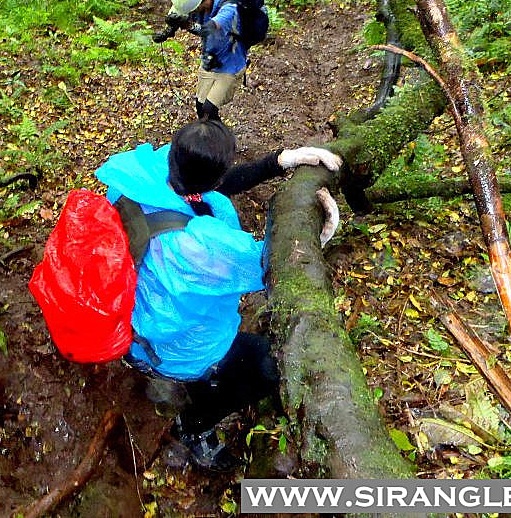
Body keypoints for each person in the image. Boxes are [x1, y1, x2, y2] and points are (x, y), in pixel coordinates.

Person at [95, 119, 341, 472]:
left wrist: (279, 161)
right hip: (169, 347)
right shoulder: (201, 246)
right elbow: (269, 266)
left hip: (132, 318)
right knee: (269, 367)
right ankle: (195, 427)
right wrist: (318, 237)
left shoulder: (139, 178)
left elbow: (204, 187)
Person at [153, 0, 248, 120]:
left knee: (209, 109)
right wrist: (168, 30)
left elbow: (207, 30)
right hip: (210, 61)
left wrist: (186, 25)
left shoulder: (228, 10)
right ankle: (210, 137)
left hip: (230, 64)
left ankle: (222, 140)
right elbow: (178, 14)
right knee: (200, 107)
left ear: (198, 6)